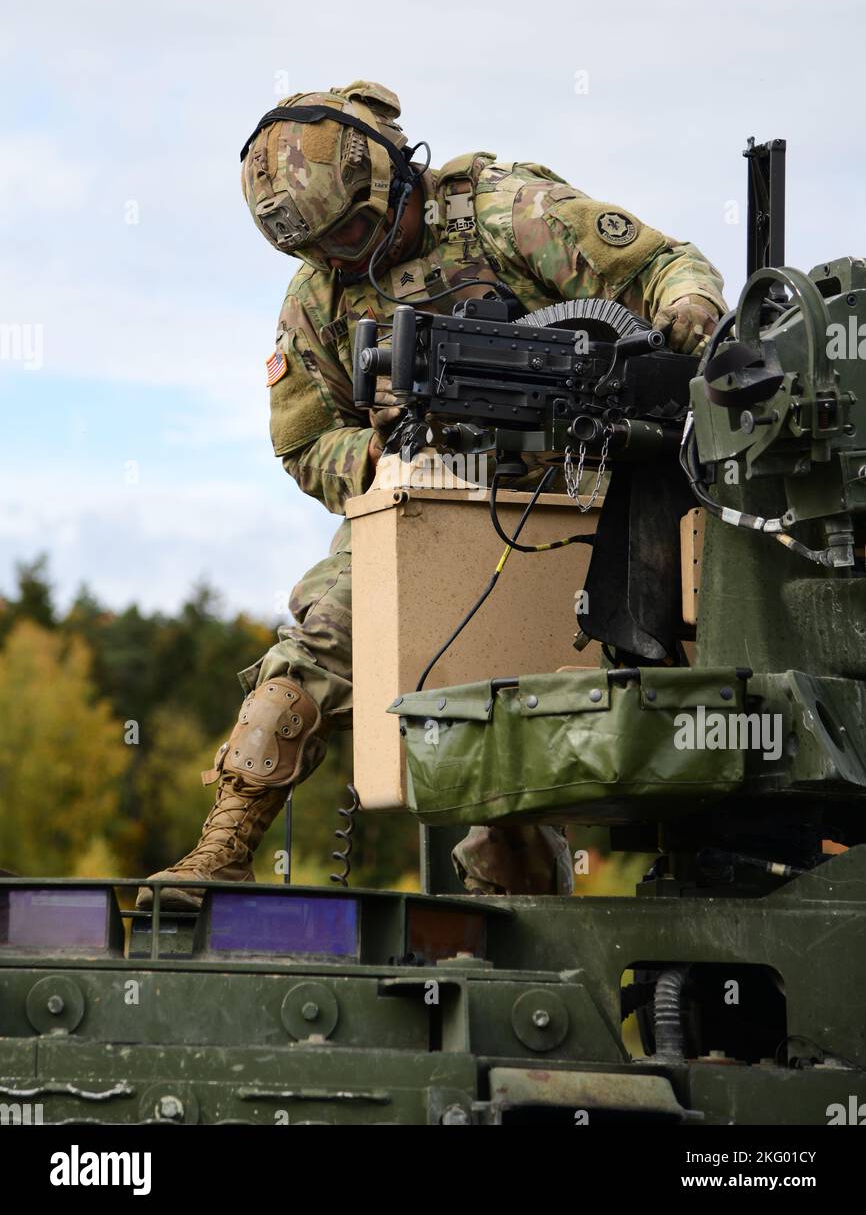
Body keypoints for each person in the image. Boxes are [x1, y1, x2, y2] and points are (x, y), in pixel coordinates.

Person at [137, 80, 726, 911]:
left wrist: (686, 318)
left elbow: (668, 268)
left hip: (599, 493)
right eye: (318, 248)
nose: (340, 257)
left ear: (382, 179)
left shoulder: (507, 216)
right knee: (314, 649)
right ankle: (221, 853)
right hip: (433, 498)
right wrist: (380, 450)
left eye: (346, 231)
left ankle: (690, 885)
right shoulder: (320, 298)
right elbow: (305, 442)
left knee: (685, 687)